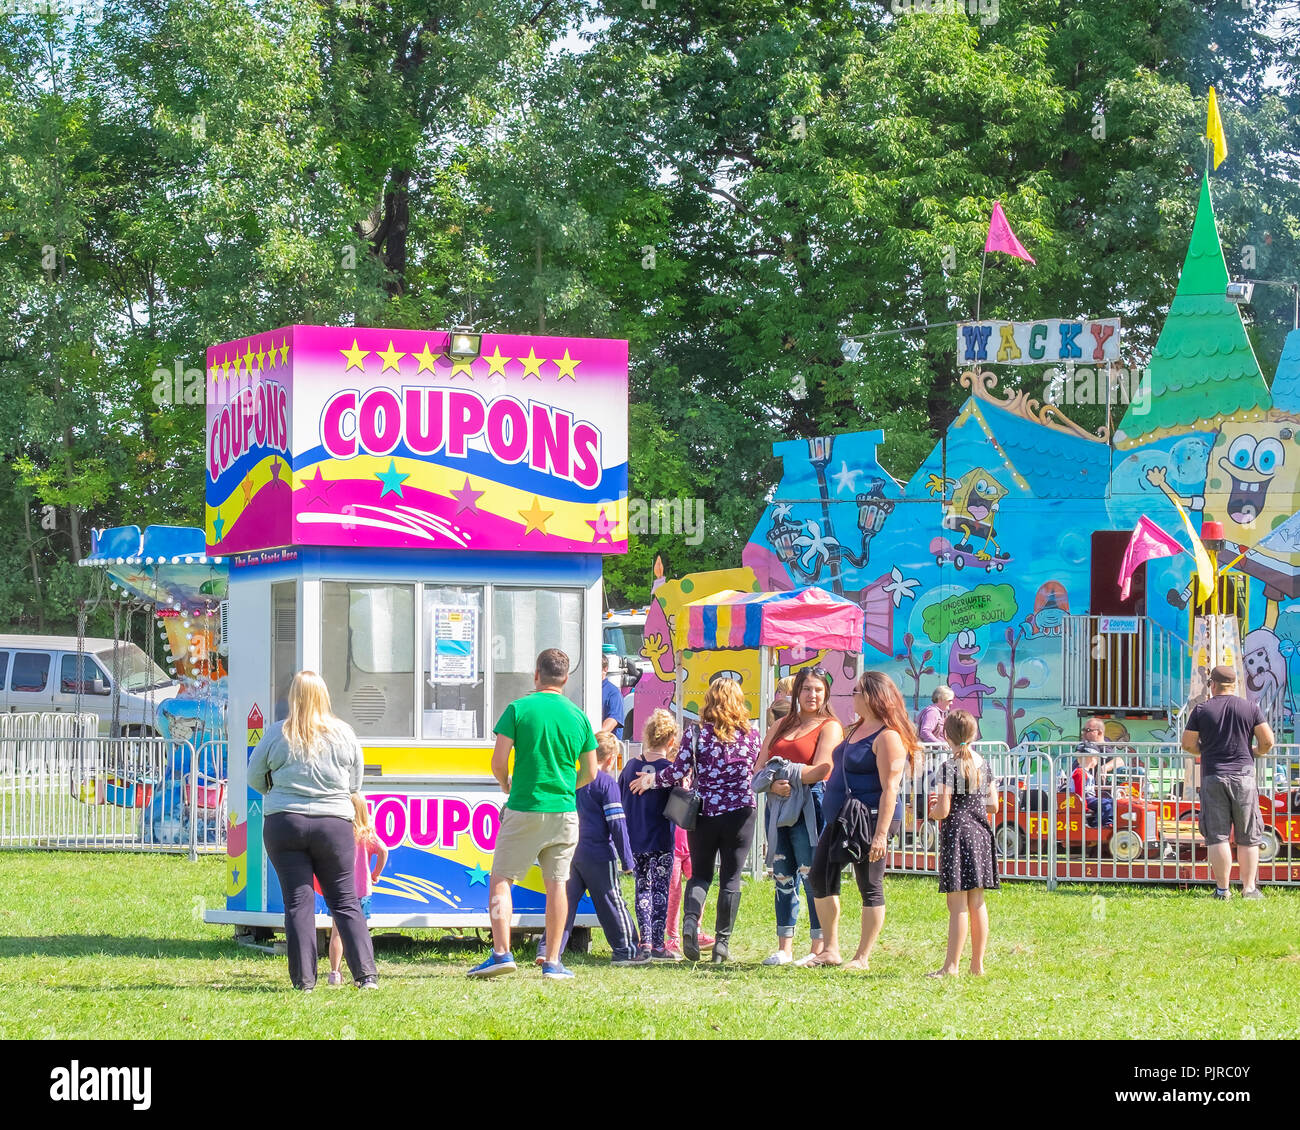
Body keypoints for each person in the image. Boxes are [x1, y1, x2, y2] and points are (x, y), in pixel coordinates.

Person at [469, 648, 598, 981]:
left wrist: (506, 783)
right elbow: (591, 773)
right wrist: (569, 785)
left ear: (536, 674)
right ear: (566, 679)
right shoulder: (579, 716)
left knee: (501, 879)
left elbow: (499, 762)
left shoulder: (518, 709)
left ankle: (501, 953)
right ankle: (553, 961)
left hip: (525, 806)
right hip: (564, 812)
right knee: (557, 885)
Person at [247, 670, 378, 991]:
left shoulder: (277, 733)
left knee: (298, 902)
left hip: (284, 823)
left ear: (294, 697)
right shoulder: (345, 733)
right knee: (345, 900)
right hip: (334, 826)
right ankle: (366, 977)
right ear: (324, 696)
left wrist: (276, 789)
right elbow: (355, 785)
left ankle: (304, 982)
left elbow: (253, 776)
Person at [629, 677, 760, 962]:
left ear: (709, 702)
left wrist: (652, 779)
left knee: (700, 873)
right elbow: (758, 772)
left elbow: (678, 771)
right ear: (739, 702)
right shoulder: (752, 736)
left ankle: (690, 920)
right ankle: (721, 945)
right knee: (731, 877)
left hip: (705, 813)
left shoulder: (696, 733)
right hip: (741, 813)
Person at [806, 670, 920, 970]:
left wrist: (881, 835)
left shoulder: (888, 736)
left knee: (869, 882)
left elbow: (890, 788)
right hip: (842, 819)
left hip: (869, 819)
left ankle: (862, 957)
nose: (852, 695)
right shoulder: (856, 728)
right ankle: (830, 949)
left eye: (857, 691)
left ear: (873, 696)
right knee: (819, 876)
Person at [751, 666, 842, 967]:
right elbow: (758, 768)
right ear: (796, 693)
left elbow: (823, 768)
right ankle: (784, 948)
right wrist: (773, 782)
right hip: (777, 805)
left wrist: (785, 773)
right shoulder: (779, 726)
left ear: (825, 693)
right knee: (781, 874)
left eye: (818, 689)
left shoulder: (829, 725)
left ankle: (818, 946)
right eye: (806, 689)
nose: (812, 695)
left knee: (811, 875)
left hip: (810, 807)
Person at [545, 731, 644, 965]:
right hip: (599, 853)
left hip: (570, 851)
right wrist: (627, 860)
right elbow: (617, 823)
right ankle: (626, 950)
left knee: (564, 903)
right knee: (611, 901)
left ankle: (548, 949)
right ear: (611, 759)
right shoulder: (606, 783)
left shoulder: (572, 778)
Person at [1182, 665, 1275, 900]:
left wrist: (1203, 749)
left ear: (1212, 684)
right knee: (1248, 835)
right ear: (1235, 685)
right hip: (1244, 776)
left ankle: (1222, 890)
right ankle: (1249, 889)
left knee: (1218, 835)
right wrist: (1255, 751)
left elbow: (1187, 744)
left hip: (1213, 775)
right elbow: (1268, 742)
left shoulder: (1202, 710)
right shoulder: (1250, 707)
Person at [927, 709, 999, 977]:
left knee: (957, 905)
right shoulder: (984, 764)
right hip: (980, 834)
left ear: (946, 735)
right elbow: (993, 805)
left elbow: (943, 810)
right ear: (974, 733)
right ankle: (977, 965)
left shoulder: (948, 767)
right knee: (977, 902)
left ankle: (950, 967)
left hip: (957, 834)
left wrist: (932, 811)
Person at [620, 709, 680, 961]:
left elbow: (621, 799)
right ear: (671, 741)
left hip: (637, 838)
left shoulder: (631, 766)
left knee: (641, 888)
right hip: (662, 839)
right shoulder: (669, 771)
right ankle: (657, 944)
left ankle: (644, 943)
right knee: (660, 891)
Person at [327, 801, 388, 986]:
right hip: (362, 891)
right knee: (360, 932)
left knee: (337, 932)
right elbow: (383, 850)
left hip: (339, 890)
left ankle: (335, 973)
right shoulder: (367, 834)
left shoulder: (339, 832)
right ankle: (361, 973)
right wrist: (375, 873)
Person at [1069, 751, 1114, 828]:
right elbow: (1080, 792)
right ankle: (1099, 825)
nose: (1098, 761)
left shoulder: (1086, 772)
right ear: (1091, 759)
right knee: (1105, 804)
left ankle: (1110, 822)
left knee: (1112, 802)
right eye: (1097, 758)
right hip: (1084, 800)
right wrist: (1084, 808)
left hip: (1089, 799)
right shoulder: (1080, 773)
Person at [600, 652, 626, 739]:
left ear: (605, 669)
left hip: (607, 748)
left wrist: (593, 738)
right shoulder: (585, 689)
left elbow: (613, 720)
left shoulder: (613, 693)